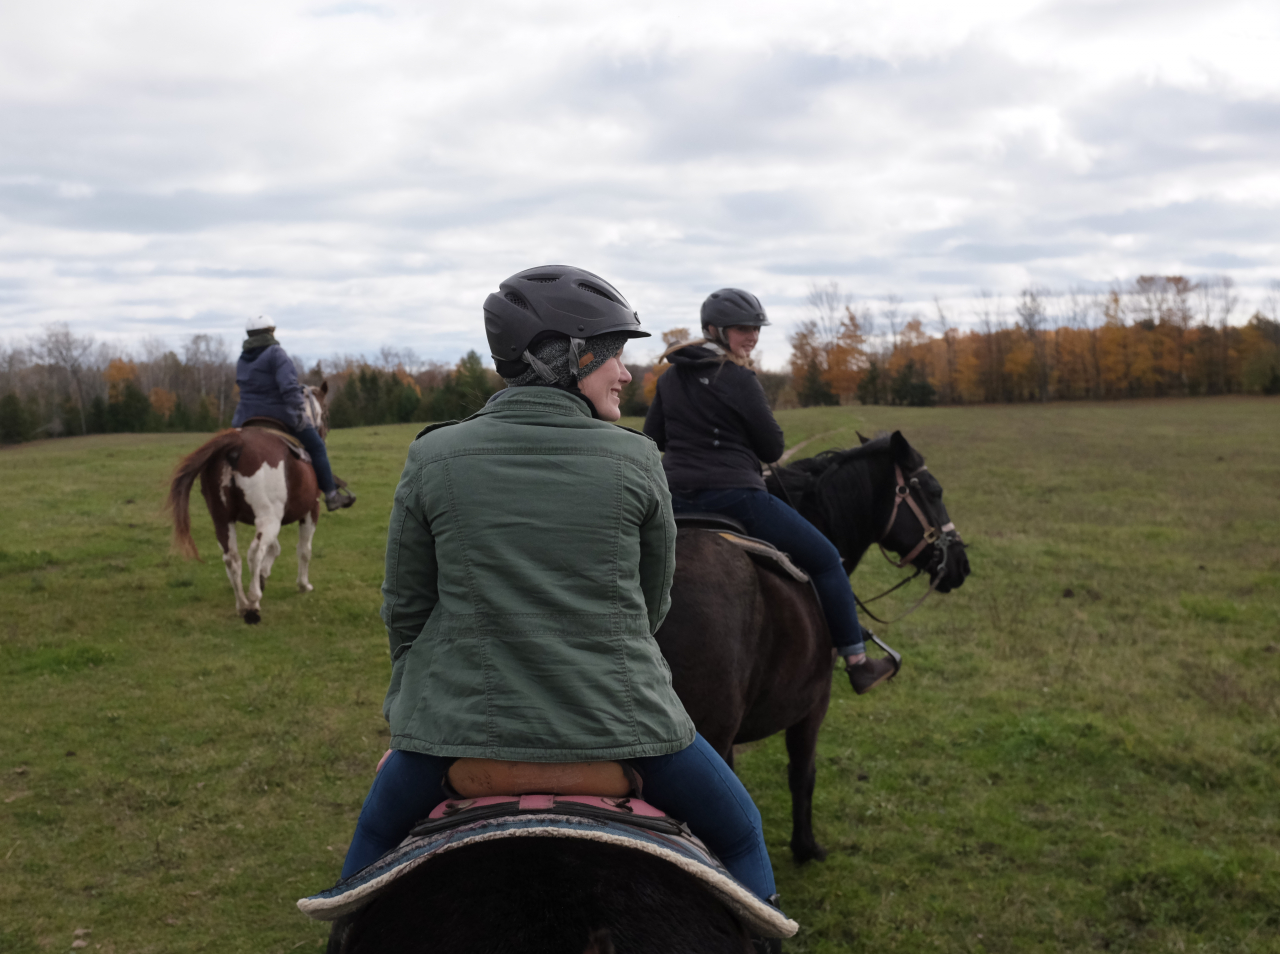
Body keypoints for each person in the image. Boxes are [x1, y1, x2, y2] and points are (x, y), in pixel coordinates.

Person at [339, 266, 777, 907]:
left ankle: (335, 945)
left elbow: (406, 607)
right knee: (739, 833)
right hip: (627, 724)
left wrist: (421, 705)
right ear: (568, 358)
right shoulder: (637, 458)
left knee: (375, 842)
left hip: (454, 725)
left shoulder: (433, 455)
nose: (625, 373)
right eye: (613, 354)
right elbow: (652, 604)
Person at [644, 287, 899, 695]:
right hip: (736, 498)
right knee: (826, 559)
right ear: (715, 330)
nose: (752, 336)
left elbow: (655, 434)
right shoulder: (740, 378)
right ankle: (857, 661)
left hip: (676, 499)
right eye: (743, 329)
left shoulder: (671, 377)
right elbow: (773, 448)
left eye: (756, 329)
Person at [231, 315, 354, 511]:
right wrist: (299, 414)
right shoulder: (276, 353)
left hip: (245, 418)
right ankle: (332, 495)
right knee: (317, 447)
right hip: (277, 415)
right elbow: (289, 388)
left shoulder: (242, 359)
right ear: (271, 332)